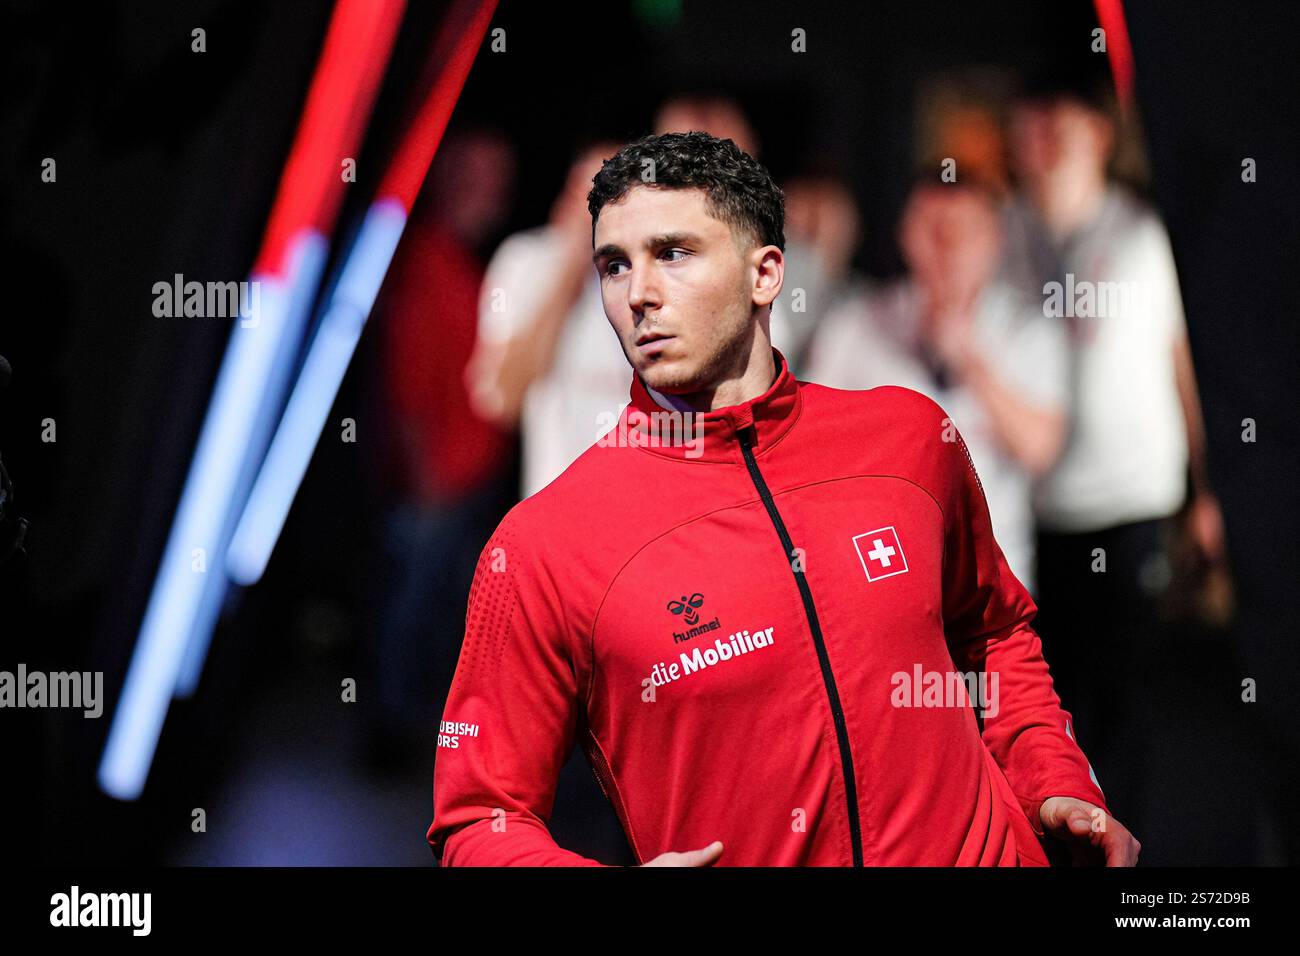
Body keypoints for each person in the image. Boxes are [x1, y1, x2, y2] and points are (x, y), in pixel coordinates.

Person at [428, 132, 1138, 867]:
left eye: (673, 253)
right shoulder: (546, 543)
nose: (637, 293)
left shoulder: (909, 439)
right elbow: (480, 817)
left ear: (766, 273)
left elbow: (994, 638)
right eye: (614, 264)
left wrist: (1053, 781)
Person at [1000, 71, 1226, 827]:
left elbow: (1183, 363)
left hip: (1130, 501)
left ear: (1099, 134)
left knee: (1129, 705)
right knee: (1049, 707)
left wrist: (1207, 487)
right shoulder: (1006, 232)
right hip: (1035, 510)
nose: (1043, 142)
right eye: (1030, 125)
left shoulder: (1139, 234)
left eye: (1060, 125)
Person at [806, 178, 1067, 594]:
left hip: (992, 578)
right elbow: (809, 448)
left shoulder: (1028, 331)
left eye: (963, 229)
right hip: (881, 574)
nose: (948, 246)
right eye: (932, 228)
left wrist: (969, 359)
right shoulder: (854, 326)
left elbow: (1039, 449)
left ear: (993, 240)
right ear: (906, 235)